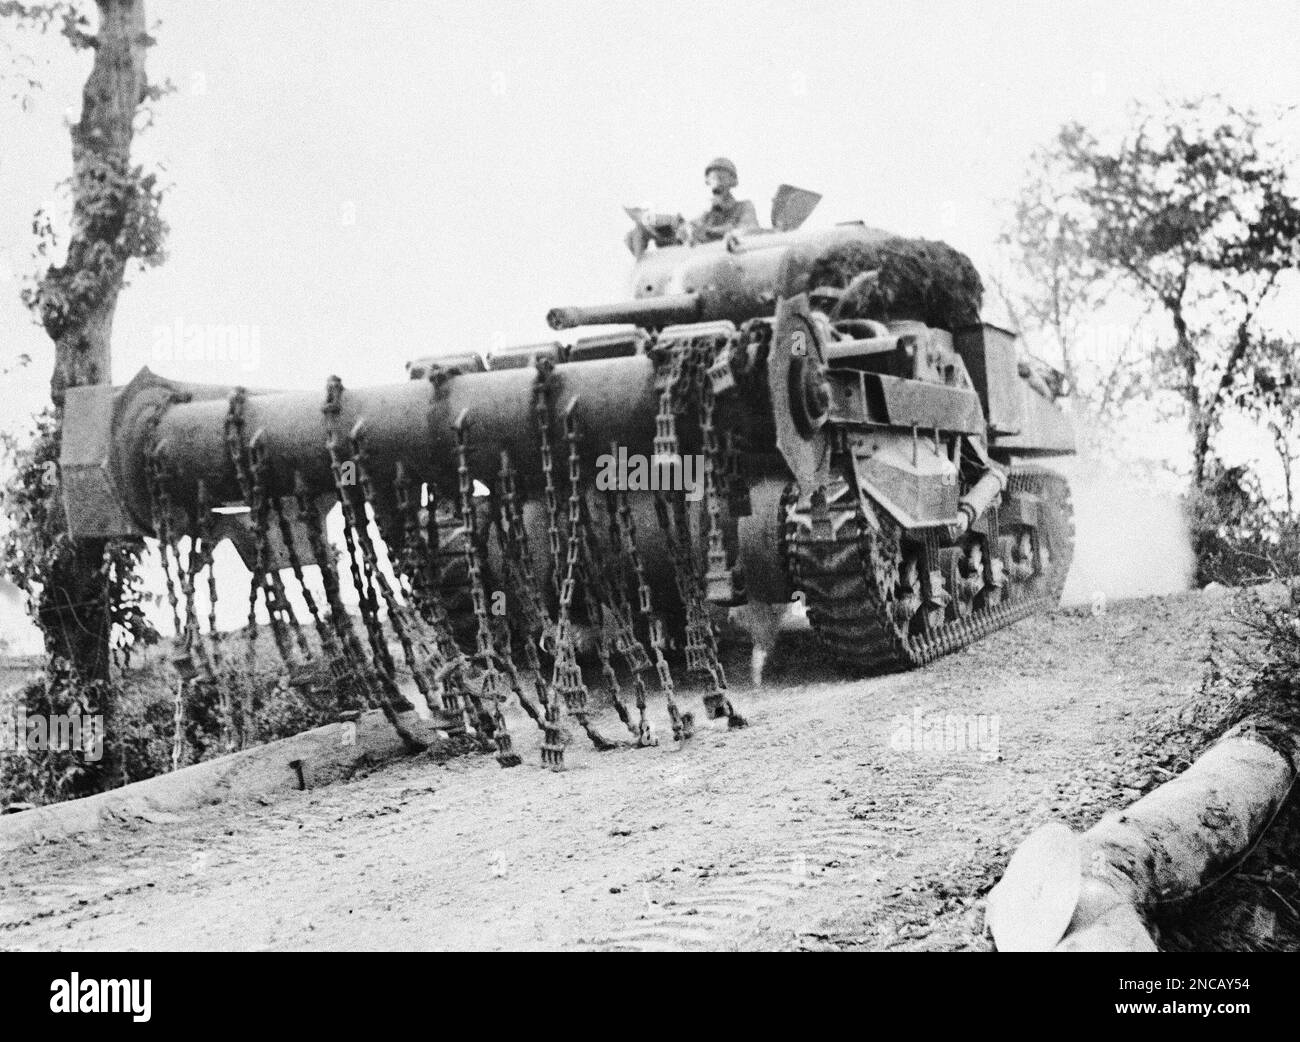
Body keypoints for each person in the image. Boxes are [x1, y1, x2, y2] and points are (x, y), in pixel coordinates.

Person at [683, 157, 759, 245]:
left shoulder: (744, 206)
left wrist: (710, 232)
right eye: (714, 178)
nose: (718, 183)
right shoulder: (707, 212)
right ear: (707, 181)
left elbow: (747, 230)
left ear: (733, 181)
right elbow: (687, 229)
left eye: (723, 178)